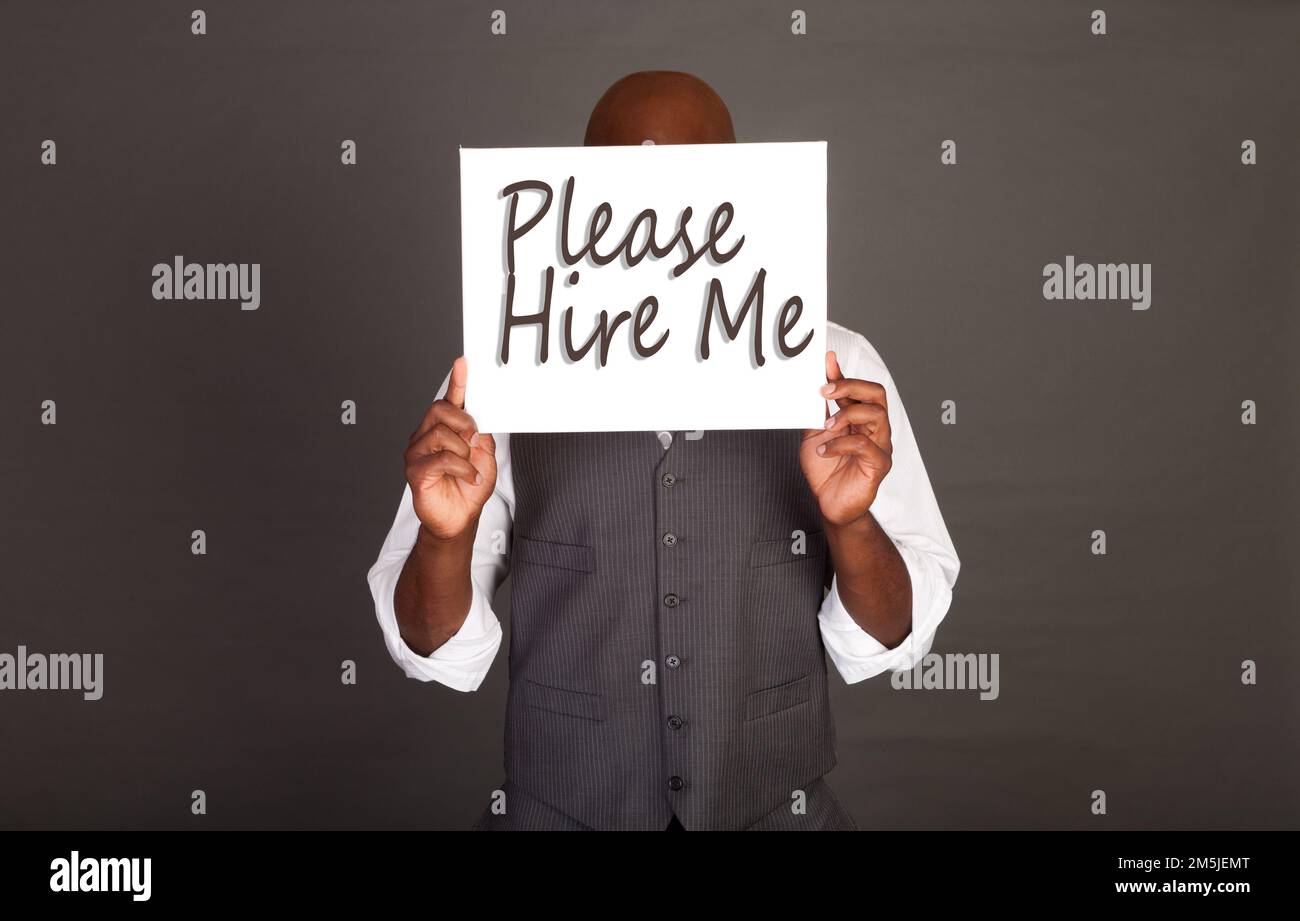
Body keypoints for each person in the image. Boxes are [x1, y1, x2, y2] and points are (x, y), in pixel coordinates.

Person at [367, 71, 959, 830]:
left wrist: (851, 523)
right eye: (627, 175)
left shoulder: (837, 371)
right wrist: (443, 537)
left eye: (691, 177)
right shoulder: (501, 368)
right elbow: (433, 647)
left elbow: (891, 639)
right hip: (558, 810)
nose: (660, 208)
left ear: (744, 188)